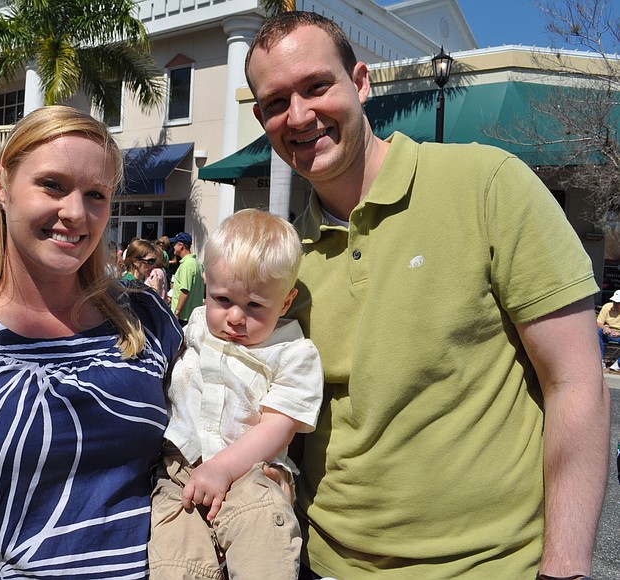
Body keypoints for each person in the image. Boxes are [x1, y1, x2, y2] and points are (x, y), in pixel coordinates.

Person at [244, 11, 610, 580]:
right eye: (275, 102)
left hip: (486, 566)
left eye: (317, 86)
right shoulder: (286, 259)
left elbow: (576, 380)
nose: (298, 115)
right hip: (321, 565)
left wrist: (565, 568)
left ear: (359, 82)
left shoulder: (488, 184)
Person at [0, 105, 183, 578]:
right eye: (53, 185)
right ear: (1, 184)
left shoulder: (146, 317)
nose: (75, 212)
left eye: (96, 195)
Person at [148, 209, 323, 579]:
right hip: (181, 473)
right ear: (207, 285)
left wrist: (223, 468)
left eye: (255, 306)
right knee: (175, 554)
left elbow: (279, 425)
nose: (235, 317)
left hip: (251, 473)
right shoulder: (195, 326)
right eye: (223, 299)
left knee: (264, 541)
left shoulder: (292, 354)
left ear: (285, 303)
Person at [168, 232, 204, 326]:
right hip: (193, 315)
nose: (173, 247)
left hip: (184, 316)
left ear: (181, 245)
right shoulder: (197, 263)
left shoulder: (186, 265)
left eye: (174, 244)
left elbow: (184, 291)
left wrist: (176, 312)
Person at [598, 290, 620, 371]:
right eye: (615, 302)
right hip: (608, 333)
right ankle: (601, 360)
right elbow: (599, 322)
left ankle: (618, 364)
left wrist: (619, 334)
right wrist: (604, 328)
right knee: (598, 332)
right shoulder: (607, 307)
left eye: (618, 302)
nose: (616, 304)